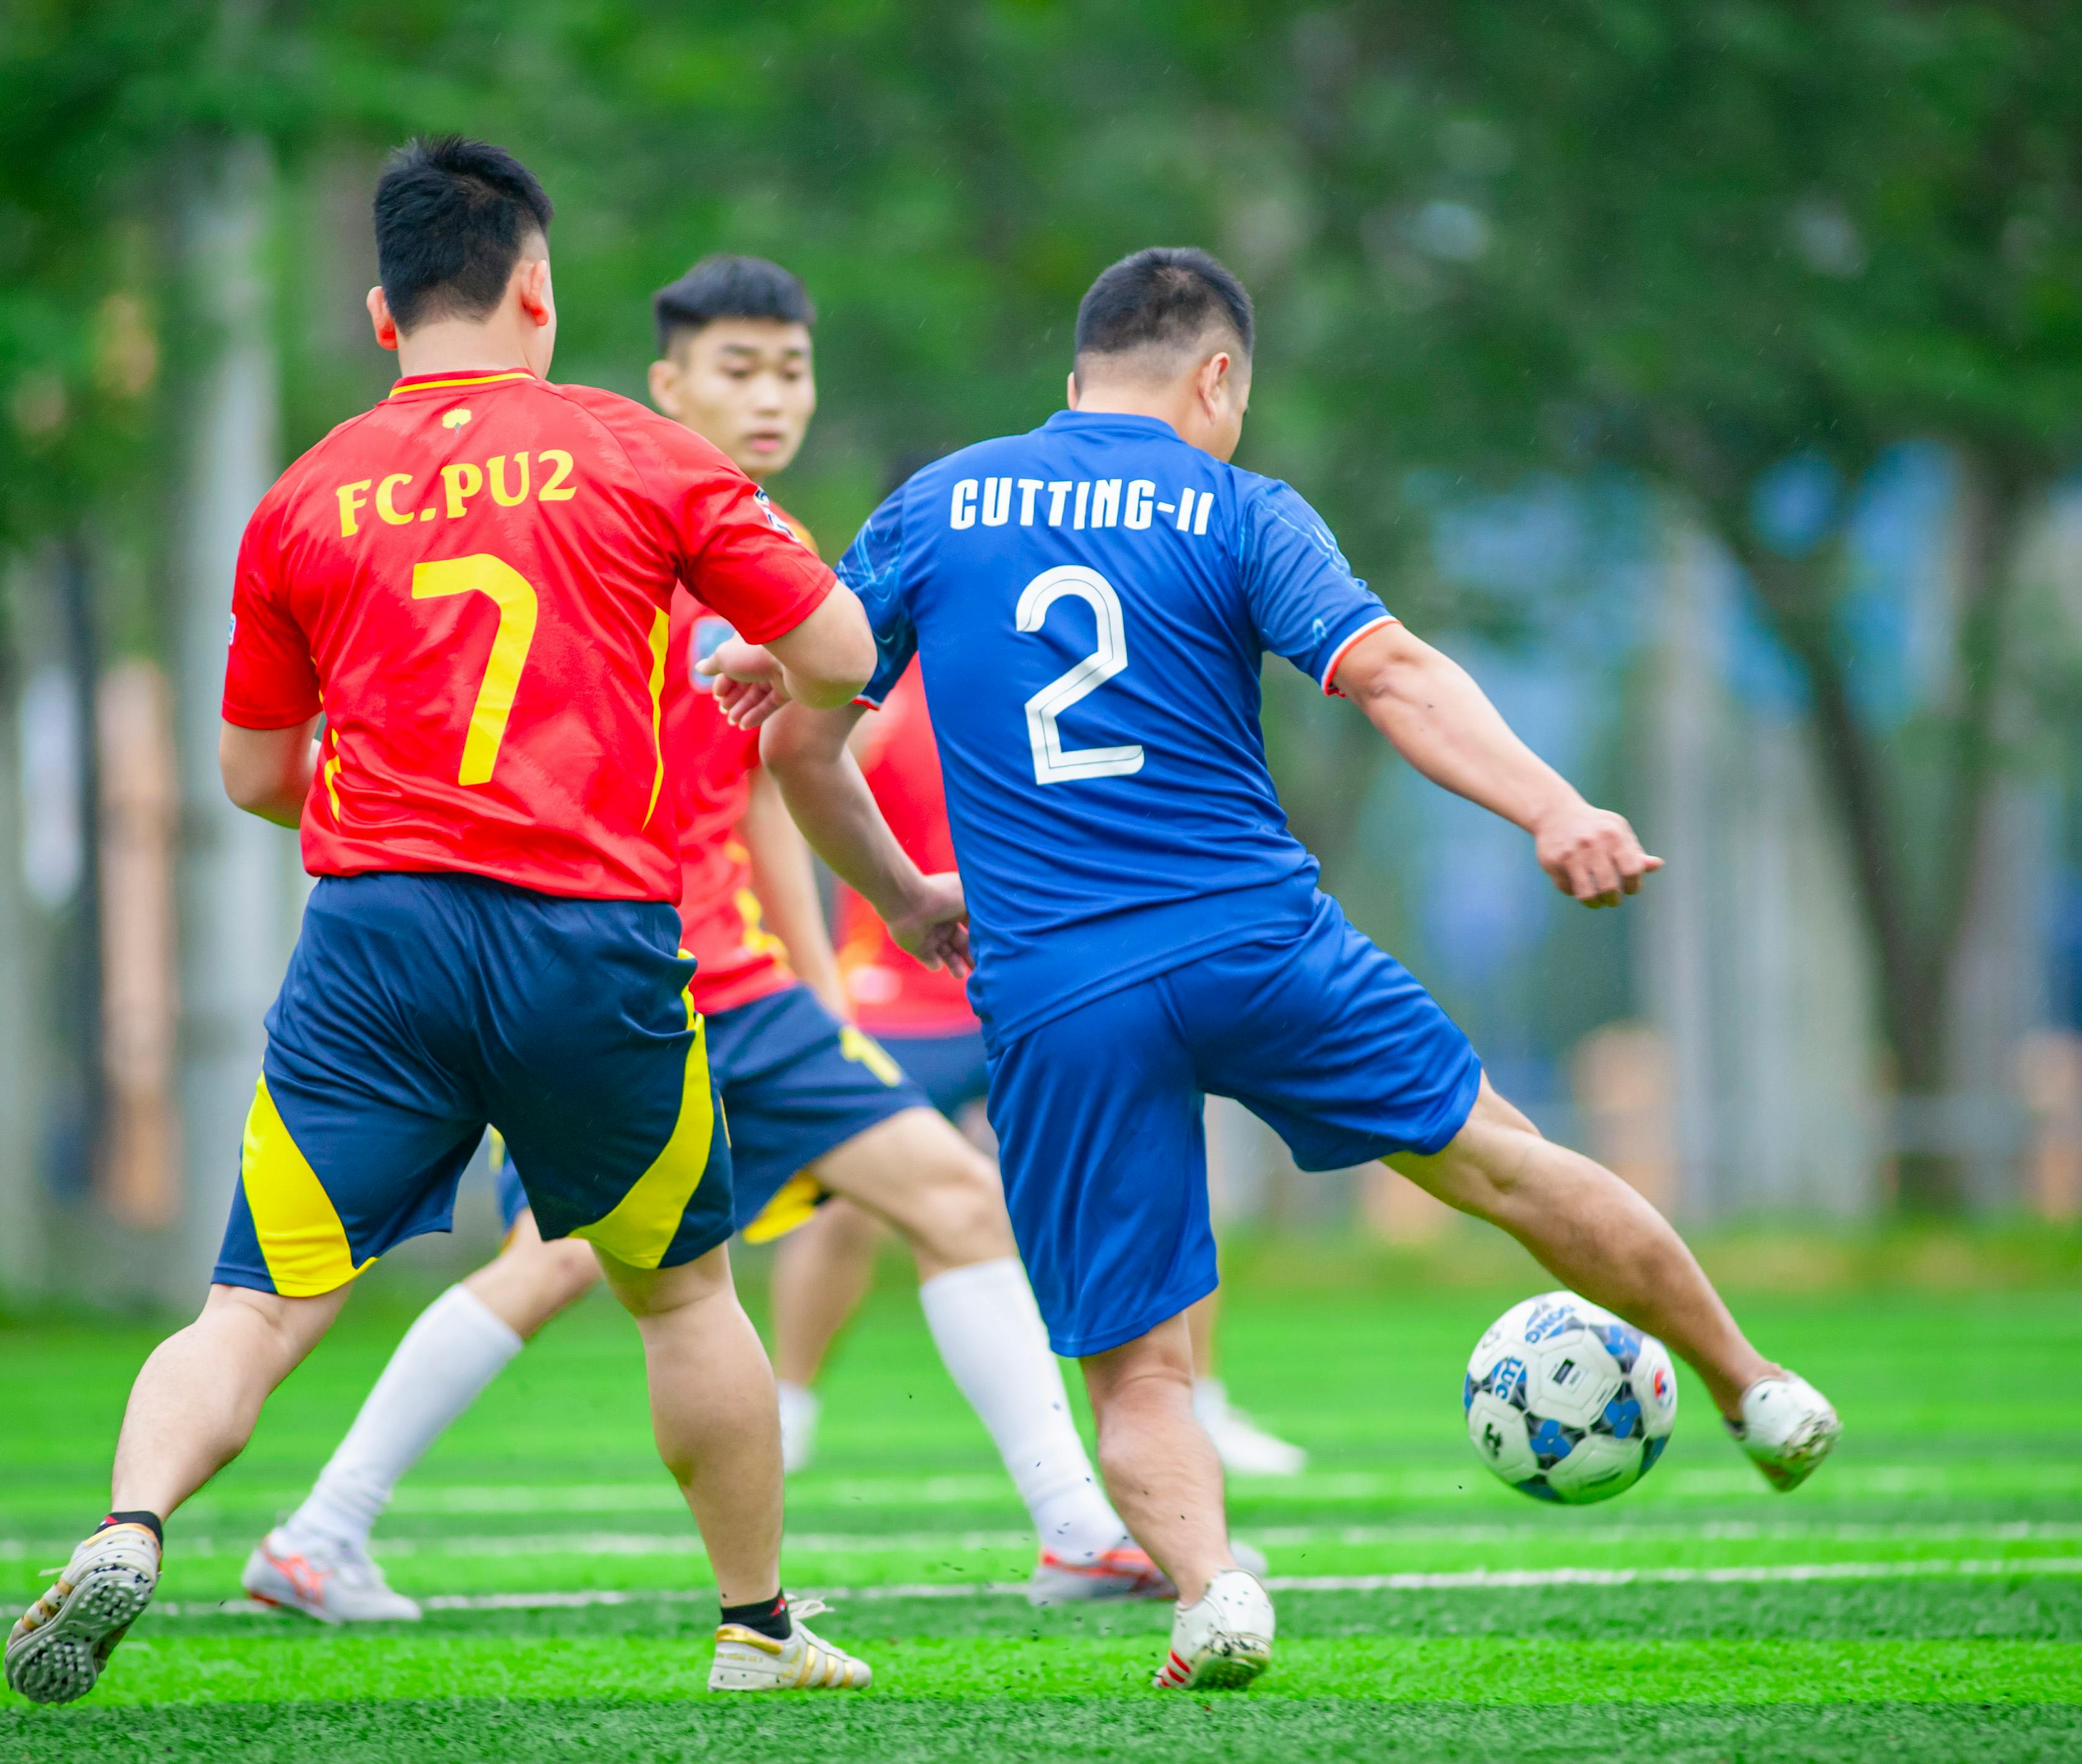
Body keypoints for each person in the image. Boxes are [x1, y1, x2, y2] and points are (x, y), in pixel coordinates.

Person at [715, 246, 1843, 1690]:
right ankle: (1754, 1387)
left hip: (1060, 992)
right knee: (1502, 1161)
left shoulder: (939, 504)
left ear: (1073, 383)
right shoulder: (1238, 506)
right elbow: (1393, 677)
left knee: (1137, 1369)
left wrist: (913, 901)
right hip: (1256, 939)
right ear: (1217, 376)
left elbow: (800, 745)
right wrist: (1553, 805)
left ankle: (1211, 1595)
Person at [1, 140, 884, 1705]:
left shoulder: (302, 496)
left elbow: (256, 776)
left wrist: (398, 814)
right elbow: (839, 644)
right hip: (589, 943)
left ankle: (131, 1524)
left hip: (374, 942)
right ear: (538, 289)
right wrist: (783, 675)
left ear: (380, 312)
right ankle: (756, 1630)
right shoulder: (637, 450)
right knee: (681, 1290)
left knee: (256, 1308)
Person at [237, 255, 1167, 1629]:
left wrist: (818, 985)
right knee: (552, 1268)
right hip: (600, 979)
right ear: (666, 380)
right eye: (737, 367)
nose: (773, 392)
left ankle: (1077, 1527)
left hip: (732, 990)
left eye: (791, 368)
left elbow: (765, 790)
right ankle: (322, 1530)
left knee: (953, 1203)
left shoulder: (758, 546)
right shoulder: (606, 509)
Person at [794, 660, 1312, 1478]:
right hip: (897, 989)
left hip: (1038, 975)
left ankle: (1200, 1402)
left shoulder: (1033, 655)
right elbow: (802, 766)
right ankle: (790, 1409)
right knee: (846, 1205)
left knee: (1153, 1168)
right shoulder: (873, 667)